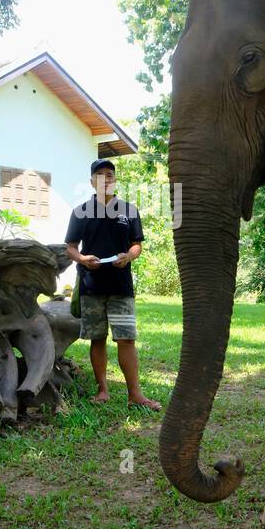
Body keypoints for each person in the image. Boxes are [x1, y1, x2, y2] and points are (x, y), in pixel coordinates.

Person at [64, 158, 161, 410]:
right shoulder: (80, 212)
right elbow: (71, 248)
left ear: (114, 180)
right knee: (98, 339)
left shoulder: (128, 211)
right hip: (91, 285)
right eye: (100, 174)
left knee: (126, 339)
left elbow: (137, 244)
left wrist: (129, 256)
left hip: (121, 286)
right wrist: (83, 259)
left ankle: (135, 394)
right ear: (92, 181)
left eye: (110, 174)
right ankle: (102, 389)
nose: (105, 178)